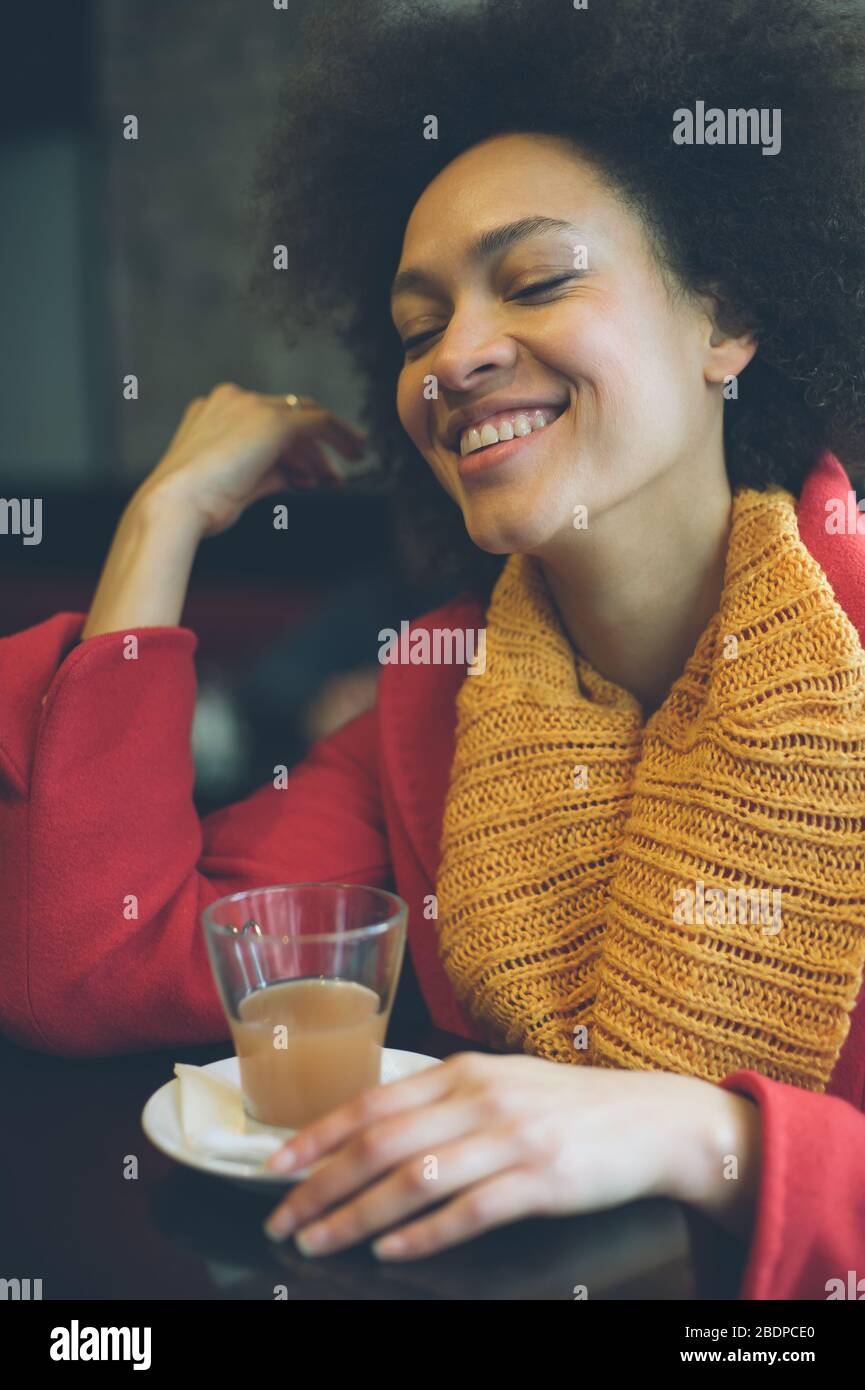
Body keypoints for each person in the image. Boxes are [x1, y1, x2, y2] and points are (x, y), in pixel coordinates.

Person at [2, 0, 865, 1298]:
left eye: (536, 280)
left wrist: (714, 1135)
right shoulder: (432, 708)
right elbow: (92, 966)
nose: (452, 359)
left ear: (722, 320)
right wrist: (162, 518)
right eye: (415, 328)